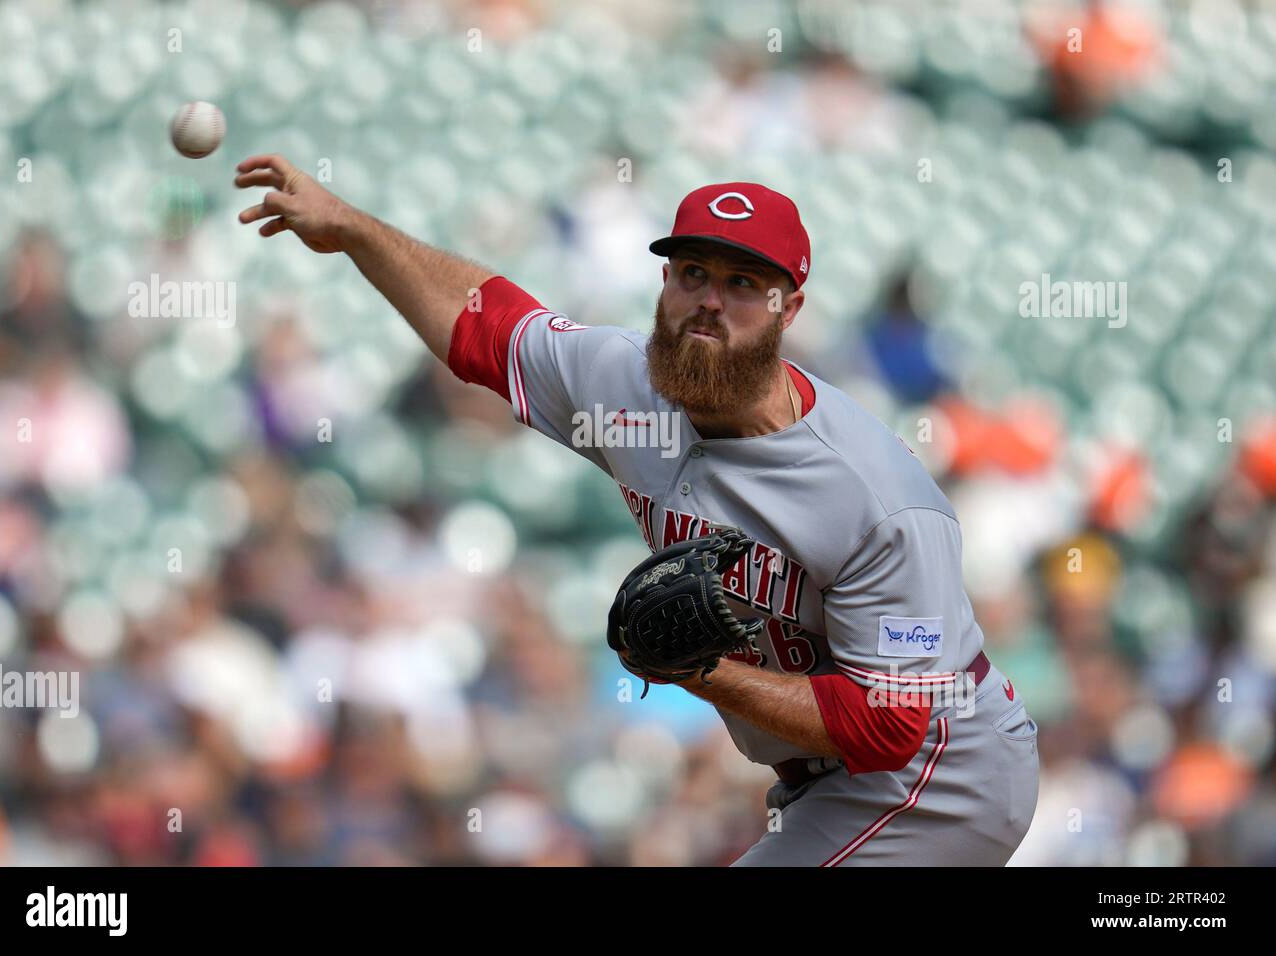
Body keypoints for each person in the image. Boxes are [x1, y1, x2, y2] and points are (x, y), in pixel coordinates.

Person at [235, 155, 1040, 866]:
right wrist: (353, 231)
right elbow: (486, 325)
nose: (709, 302)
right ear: (665, 282)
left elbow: (886, 727)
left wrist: (703, 673)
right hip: (833, 781)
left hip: (942, 770)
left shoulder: (878, 500)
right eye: (692, 272)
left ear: (789, 309)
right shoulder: (626, 387)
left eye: (740, 284)